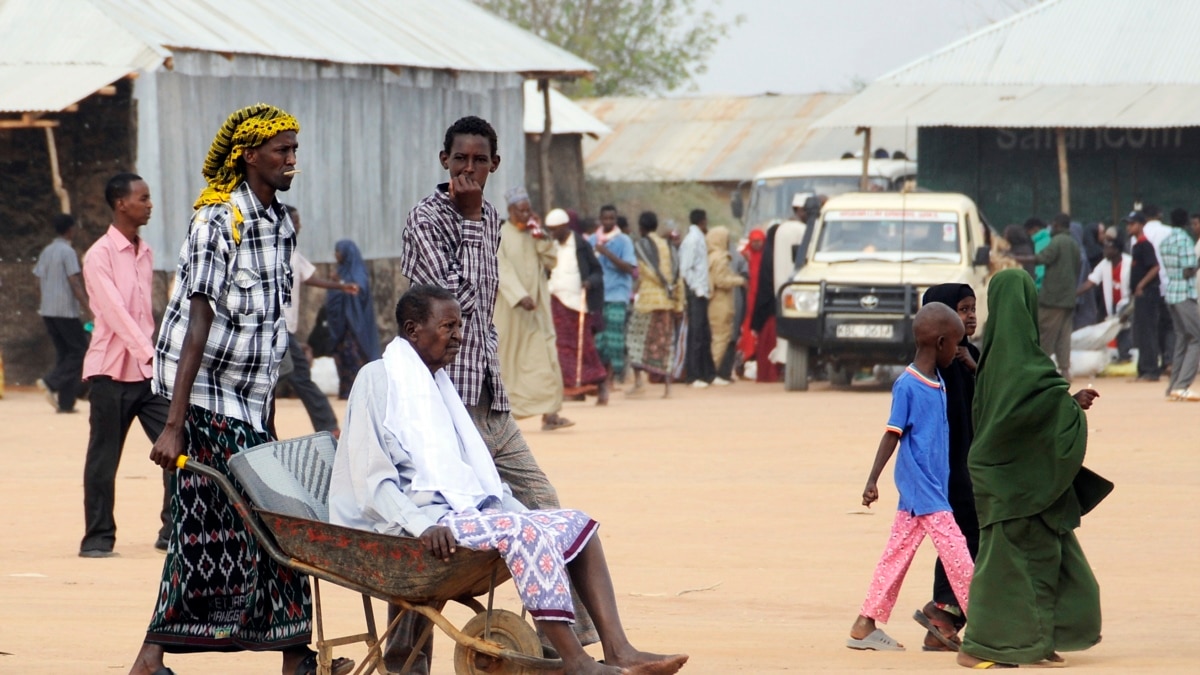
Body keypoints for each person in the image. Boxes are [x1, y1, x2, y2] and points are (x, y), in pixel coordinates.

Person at [328, 285, 688, 675]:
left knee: (577, 524)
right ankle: (577, 662)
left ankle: (619, 649)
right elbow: (372, 476)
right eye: (448, 326)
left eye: (460, 326)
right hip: (417, 519)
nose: (459, 337)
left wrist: (516, 510)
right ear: (413, 330)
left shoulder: (439, 384)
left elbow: (470, 469)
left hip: (460, 511)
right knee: (525, 534)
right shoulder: (377, 379)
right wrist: (422, 525)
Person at [128, 104, 353, 675]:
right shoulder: (217, 219)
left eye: (295, 150)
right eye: (282, 150)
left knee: (277, 523)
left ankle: (295, 653)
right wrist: (174, 424)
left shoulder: (279, 223)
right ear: (250, 155)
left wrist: (267, 417)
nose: (292, 160)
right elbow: (197, 319)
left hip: (250, 404)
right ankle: (152, 659)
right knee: (206, 535)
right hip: (203, 401)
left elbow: (270, 328)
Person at [399, 116, 595, 671]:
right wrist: (463, 220)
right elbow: (444, 309)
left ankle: (573, 640)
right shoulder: (429, 219)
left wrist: (495, 380)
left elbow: (483, 314)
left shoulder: (491, 218)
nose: (468, 169)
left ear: (494, 165)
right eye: (459, 159)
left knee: (544, 500)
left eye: (478, 161)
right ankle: (406, 660)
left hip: (488, 399)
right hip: (443, 403)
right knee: (435, 537)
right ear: (444, 161)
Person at [957, 269, 1108, 669]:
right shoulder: (1024, 364)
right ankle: (981, 645)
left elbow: (1023, 417)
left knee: (1052, 567)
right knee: (1003, 572)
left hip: (1021, 486)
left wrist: (1067, 403)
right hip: (1019, 488)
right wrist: (1068, 407)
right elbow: (1032, 413)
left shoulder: (991, 361)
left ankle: (1040, 639)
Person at [847, 303, 974, 653]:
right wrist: (872, 480)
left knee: (896, 556)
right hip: (923, 488)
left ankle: (864, 624)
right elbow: (892, 434)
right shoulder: (908, 385)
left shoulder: (938, 382)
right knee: (959, 555)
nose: (958, 351)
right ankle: (985, 627)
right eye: (956, 345)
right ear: (942, 342)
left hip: (932, 488)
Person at [78, 173, 172, 557]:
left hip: (147, 375)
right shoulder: (98, 255)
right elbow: (116, 314)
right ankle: (98, 537)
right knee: (103, 458)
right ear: (121, 204)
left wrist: (158, 358)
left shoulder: (145, 253)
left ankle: (173, 530)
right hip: (109, 374)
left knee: (177, 446)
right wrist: (150, 353)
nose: (150, 204)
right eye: (143, 198)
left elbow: (146, 315)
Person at [912, 284, 979, 652]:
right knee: (965, 538)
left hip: (970, 465)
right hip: (948, 470)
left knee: (962, 540)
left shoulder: (969, 357)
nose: (969, 316)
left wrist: (976, 367)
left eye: (972, 308)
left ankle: (942, 618)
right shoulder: (935, 369)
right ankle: (943, 613)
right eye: (962, 309)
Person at [494, 186, 572, 431]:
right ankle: (507, 416)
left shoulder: (533, 233)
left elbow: (551, 261)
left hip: (538, 309)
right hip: (511, 310)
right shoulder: (499, 235)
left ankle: (551, 414)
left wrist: (541, 236)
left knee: (547, 356)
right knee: (511, 362)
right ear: (510, 211)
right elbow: (501, 268)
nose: (526, 215)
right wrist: (519, 296)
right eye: (521, 211)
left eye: (529, 210)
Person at [280, 205, 357, 437]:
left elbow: (310, 278)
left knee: (295, 376)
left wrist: (341, 286)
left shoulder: (292, 253)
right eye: (295, 221)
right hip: (274, 328)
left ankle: (327, 426)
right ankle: (328, 426)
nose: (299, 225)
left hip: (285, 330)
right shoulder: (270, 250)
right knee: (298, 376)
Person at [545, 208, 609, 403]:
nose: (553, 233)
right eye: (550, 229)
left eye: (556, 229)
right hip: (556, 301)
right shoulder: (551, 246)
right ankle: (574, 389)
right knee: (562, 349)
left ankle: (601, 384)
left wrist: (589, 282)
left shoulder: (581, 246)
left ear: (565, 227)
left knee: (585, 347)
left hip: (577, 304)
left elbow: (597, 272)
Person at [33, 213, 90, 413]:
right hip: (65, 311)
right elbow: (74, 281)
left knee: (65, 354)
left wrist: (46, 299)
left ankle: (66, 403)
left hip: (48, 311)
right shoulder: (67, 252)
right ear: (69, 230)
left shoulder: (46, 251)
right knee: (80, 351)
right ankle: (50, 381)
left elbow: (37, 280)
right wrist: (89, 308)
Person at [1014, 213, 1081, 379]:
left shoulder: (1057, 242)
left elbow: (1042, 258)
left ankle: (1040, 371)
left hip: (1052, 298)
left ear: (1057, 225)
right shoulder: (1074, 244)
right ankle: (1065, 371)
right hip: (1068, 298)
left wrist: (1017, 259)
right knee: (1063, 336)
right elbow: (1078, 268)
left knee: (1044, 334)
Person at [627, 211, 684, 398]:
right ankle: (668, 388)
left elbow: (644, 273)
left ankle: (638, 383)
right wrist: (679, 305)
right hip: (668, 302)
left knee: (634, 341)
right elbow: (678, 276)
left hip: (647, 302)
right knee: (666, 344)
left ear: (641, 227)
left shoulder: (641, 247)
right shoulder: (668, 246)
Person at [325, 239, 380, 399]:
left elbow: (358, 289)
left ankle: (360, 392)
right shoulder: (340, 271)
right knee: (342, 357)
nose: (336, 255)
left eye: (338, 251)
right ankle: (346, 391)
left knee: (355, 356)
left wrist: (341, 284)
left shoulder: (358, 271)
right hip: (341, 326)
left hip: (355, 325)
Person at [591, 204, 637, 388]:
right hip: (598, 296)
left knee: (614, 338)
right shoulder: (593, 239)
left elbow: (629, 268)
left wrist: (607, 253)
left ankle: (612, 377)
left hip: (617, 294)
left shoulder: (624, 241)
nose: (608, 222)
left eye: (612, 218)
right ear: (600, 219)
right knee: (599, 339)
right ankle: (602, 375)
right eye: (605, 218)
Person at [1160, 209, 1200, 401]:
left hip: (1171, 293)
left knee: (1182, 339)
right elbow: (1188, 271)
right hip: (1185, 293)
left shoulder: (1166, 241)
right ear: (1186, 222)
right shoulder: (1184, 240)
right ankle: (1183, 385)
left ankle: (1173, 386)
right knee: (1196, 337)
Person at [677, 209, 719, 387]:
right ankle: (693, 376)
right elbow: (685, 269)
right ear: (703, 221)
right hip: (696, 292)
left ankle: (708, 374)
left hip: (702, 291)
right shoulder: (692, 240)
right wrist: (696, 289)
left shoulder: (700, 238)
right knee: (696, 335)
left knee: (705, 334)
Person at [1076, 231, 1133, 361]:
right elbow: (1091, 282)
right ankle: (1120, 356)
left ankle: (1125, 355)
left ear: (1117, 250)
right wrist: (1073, 294)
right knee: (1114, 329)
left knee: (1126, 330)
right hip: (1112, 304)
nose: (1105, 251)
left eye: (1108, 248)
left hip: (1127, 303)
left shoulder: (1129, 262)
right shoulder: (1104, 264)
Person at [1127, 212, 1166, 380]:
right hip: (1141, 295)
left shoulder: (1145, 245)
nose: (1129, 227)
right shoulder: (1136, 245)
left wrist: (1141, 285)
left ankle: (1151, 370)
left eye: (1133, 223)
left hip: (1148, 293)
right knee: (1142, 331)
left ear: (1141, 225)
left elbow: (1155, 267)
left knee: (1148, 331)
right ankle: (1143, 369)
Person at [705, 226, 745, 382]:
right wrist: (739, 281)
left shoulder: (710, 256)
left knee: (715, 337)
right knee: (721, 338)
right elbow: (720, 280)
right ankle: (713, 371)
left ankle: (710, 371)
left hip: (714, 302)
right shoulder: (721, 258)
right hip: (721, 303)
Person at [736, 229, 767, 375]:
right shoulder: (743, 255)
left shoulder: (767, 255)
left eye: (759, 241)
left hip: (760, 297)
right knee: (746, 328)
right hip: (748, 297)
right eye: (753, 241)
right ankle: (745, 357)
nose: (756, 244)